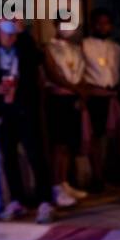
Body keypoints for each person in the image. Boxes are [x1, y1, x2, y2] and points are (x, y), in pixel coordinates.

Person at [0, 19, 56, 224]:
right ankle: (16, 200)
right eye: (6, 32)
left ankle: (45, 202)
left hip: (27, 110)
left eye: (13, 33)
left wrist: (25, 35)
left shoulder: (24, 48)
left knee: (36, 155)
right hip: (4, 111)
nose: (10, 37)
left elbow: (38, 58)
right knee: (9, 156)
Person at [43, 25, 87, 208]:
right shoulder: (49, 48)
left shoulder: (76, 49)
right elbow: (52, 74)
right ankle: (55, 186)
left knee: (69, 144)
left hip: (73, 98)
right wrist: (75, 89)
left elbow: (81, 73)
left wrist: (81, 92)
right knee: (58, 144)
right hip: (58, 99)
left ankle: (64, 182)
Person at [81, 9, 120, 193]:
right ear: (92, 25)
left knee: (117, 134)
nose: (102, 26)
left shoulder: (117, 48)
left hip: (113, 94)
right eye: (99, 23)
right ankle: (97, 176)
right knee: (95, 137)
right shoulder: (84, 45)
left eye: (106, 23)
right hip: (95, 96)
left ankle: (117, 173)